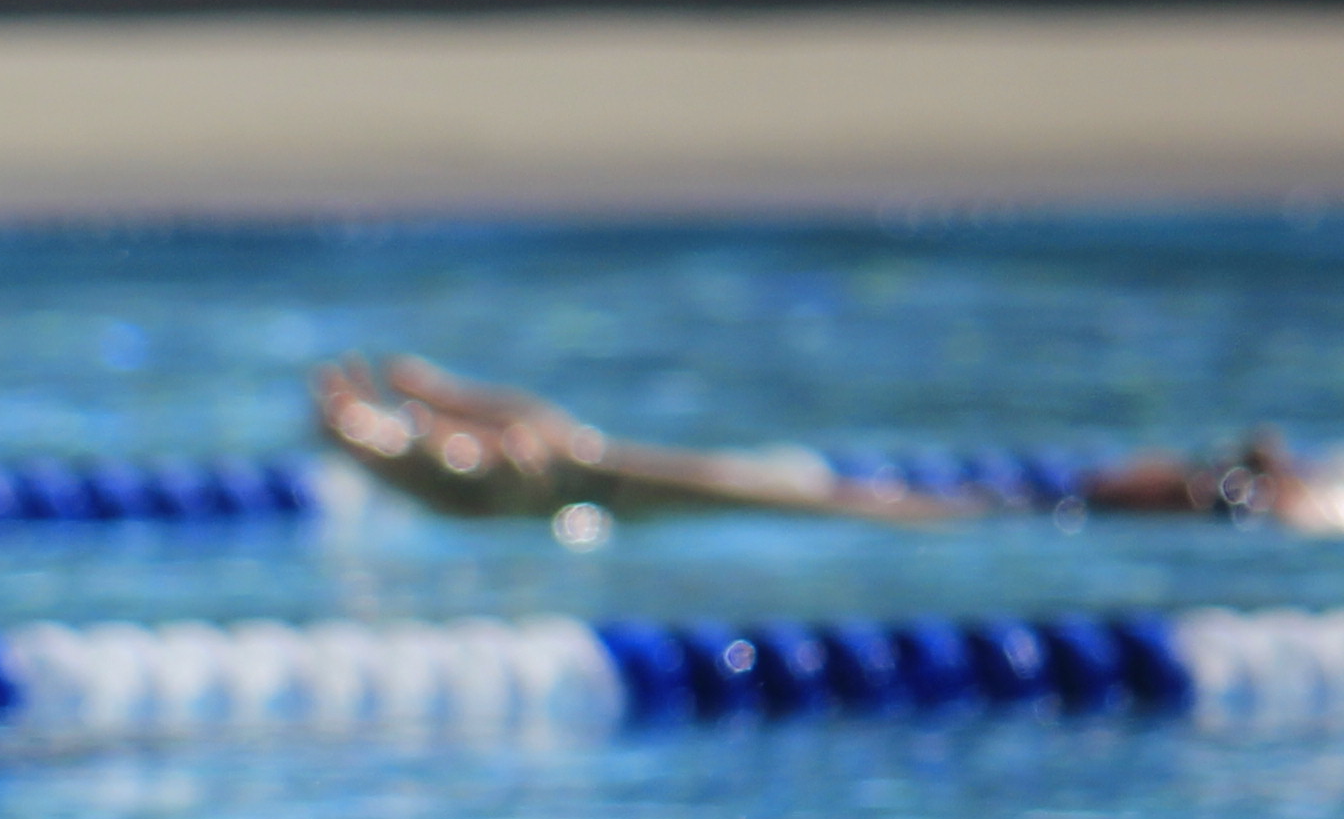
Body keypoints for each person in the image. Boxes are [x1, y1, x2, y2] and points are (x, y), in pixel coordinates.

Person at [315, 354, 1339, 530]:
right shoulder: (1029, 509)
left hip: (897, 519)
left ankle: (431, 456)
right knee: (602, 464)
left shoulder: (977, 523)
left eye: (1213, 481)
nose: (1164, 468)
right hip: (884, 505)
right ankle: (449, 439)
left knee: (602, 470)